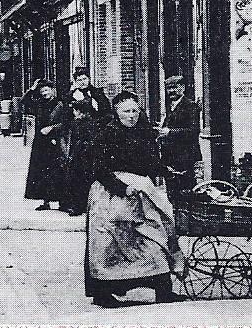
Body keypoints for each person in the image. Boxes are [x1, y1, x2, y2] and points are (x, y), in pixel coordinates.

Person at [86, 91, 182, 308]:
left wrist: (165, 170)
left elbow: (149, 161)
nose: (131, 116)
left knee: (154, 236)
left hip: (141, 193)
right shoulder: (106, 134)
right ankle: (104, 294)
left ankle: (163, 291)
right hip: (111, 196)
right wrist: (122, 188)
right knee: (110, 243)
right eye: (126, 111)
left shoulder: (143, 132)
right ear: (116, 112)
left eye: (135, 111)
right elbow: (98, 169)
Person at [158, 75, 200, 205]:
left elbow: (193, 131)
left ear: (182, 88)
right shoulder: (171, 107)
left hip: (184, 159)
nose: (171, 91)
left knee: (185, 196)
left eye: (174, 87)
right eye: (168, 88)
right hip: (170, 159)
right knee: (172, 196)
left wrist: (169, 132)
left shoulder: (190, 106)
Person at [24, 81, 65, 211]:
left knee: (57, 171)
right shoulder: (39, 104)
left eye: (46, 90)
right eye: (42, 91)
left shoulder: (60, 104)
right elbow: (25, 101)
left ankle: (61, 202)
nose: (44, 93)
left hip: (56, 141)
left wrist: (51, 128)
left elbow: (65, 122)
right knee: (42, 172)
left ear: (52, 90)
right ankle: (45, 201)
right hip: (41, 143)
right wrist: (32, 88)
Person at [62, 99, 97, 216]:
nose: (73, 112)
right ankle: (83, 206)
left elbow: (77, 140)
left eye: (74, 110)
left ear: (79, 111)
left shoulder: (78, 123)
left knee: (77, 181)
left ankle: (77, 207)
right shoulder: (90, 122)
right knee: (83, 181)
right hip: (85, 155)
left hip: (80, 155)